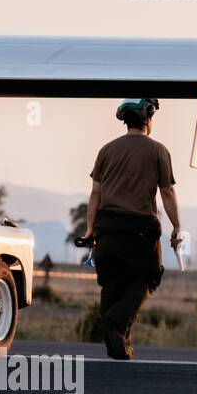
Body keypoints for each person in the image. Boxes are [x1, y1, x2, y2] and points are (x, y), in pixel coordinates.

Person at [80, 98, 182, 360]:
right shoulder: (158, 150)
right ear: (148, 116)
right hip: (139, 228)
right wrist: (177, 226)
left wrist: (90, 229)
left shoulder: (106, 150)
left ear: (125, 118)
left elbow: (95, 193)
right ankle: (115, 322)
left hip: (107, 225)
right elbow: (167, 192)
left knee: (113, 282)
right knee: (147, 276)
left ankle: (120, 342)